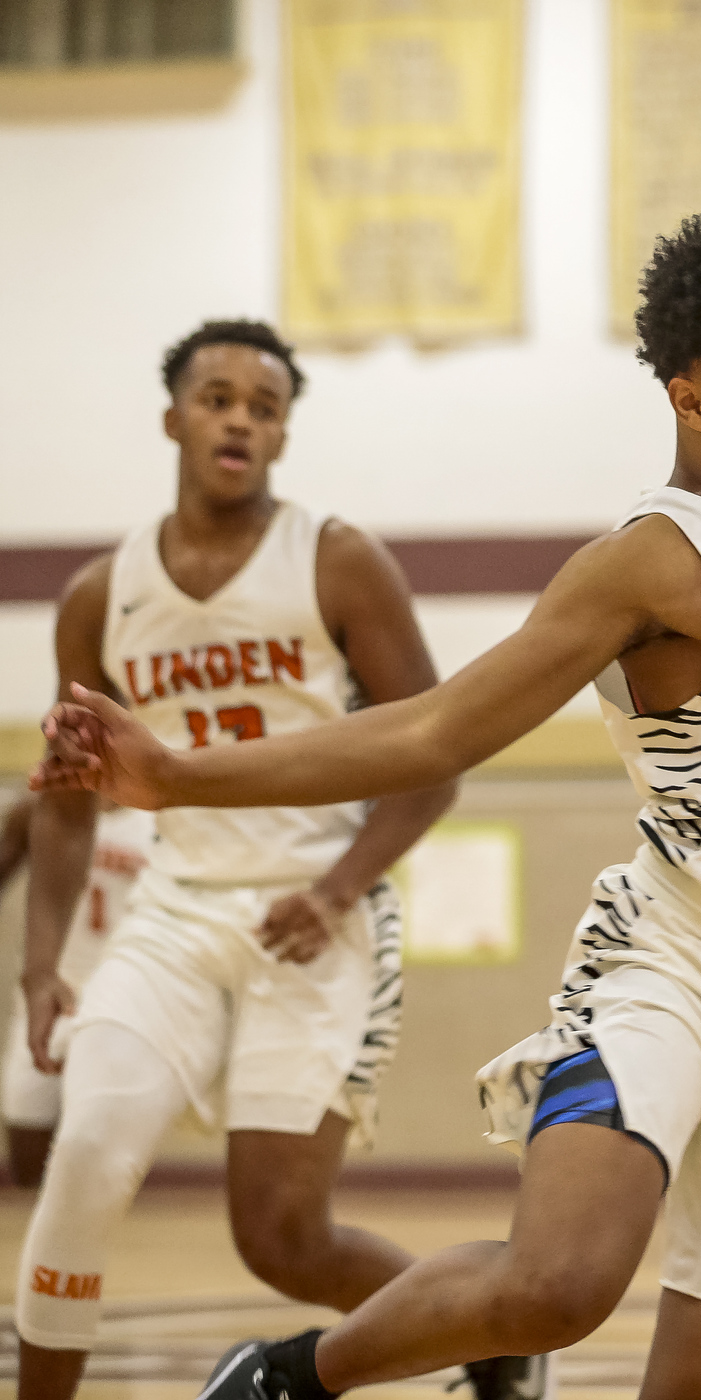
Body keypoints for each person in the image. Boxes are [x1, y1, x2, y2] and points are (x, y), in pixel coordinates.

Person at [33, 119, 701, 1400]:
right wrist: (178, 777)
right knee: (560, 1279)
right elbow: (434, 729)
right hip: (684, 963)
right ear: (690, 399)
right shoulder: (654, 560)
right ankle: (284, 1378)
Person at [11, 317, 543, 1400]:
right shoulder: (96, 596)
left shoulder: (337, 559)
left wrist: (338, 884)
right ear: (174, 418)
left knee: (282, 1238)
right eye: (218, 397)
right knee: (86, 1155)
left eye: (264, 405)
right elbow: (65, 798)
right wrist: (38, 961)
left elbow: (430, 761)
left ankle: (493, 1332)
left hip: (315, 917)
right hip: (173, 913)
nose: (241, 417)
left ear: (284, 434)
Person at [0, 794, 153, 1187]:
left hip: (123, 987)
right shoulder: (34, 810)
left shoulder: (158, 817)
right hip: (50, 987)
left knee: (100, 1135)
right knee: (26, 1139)